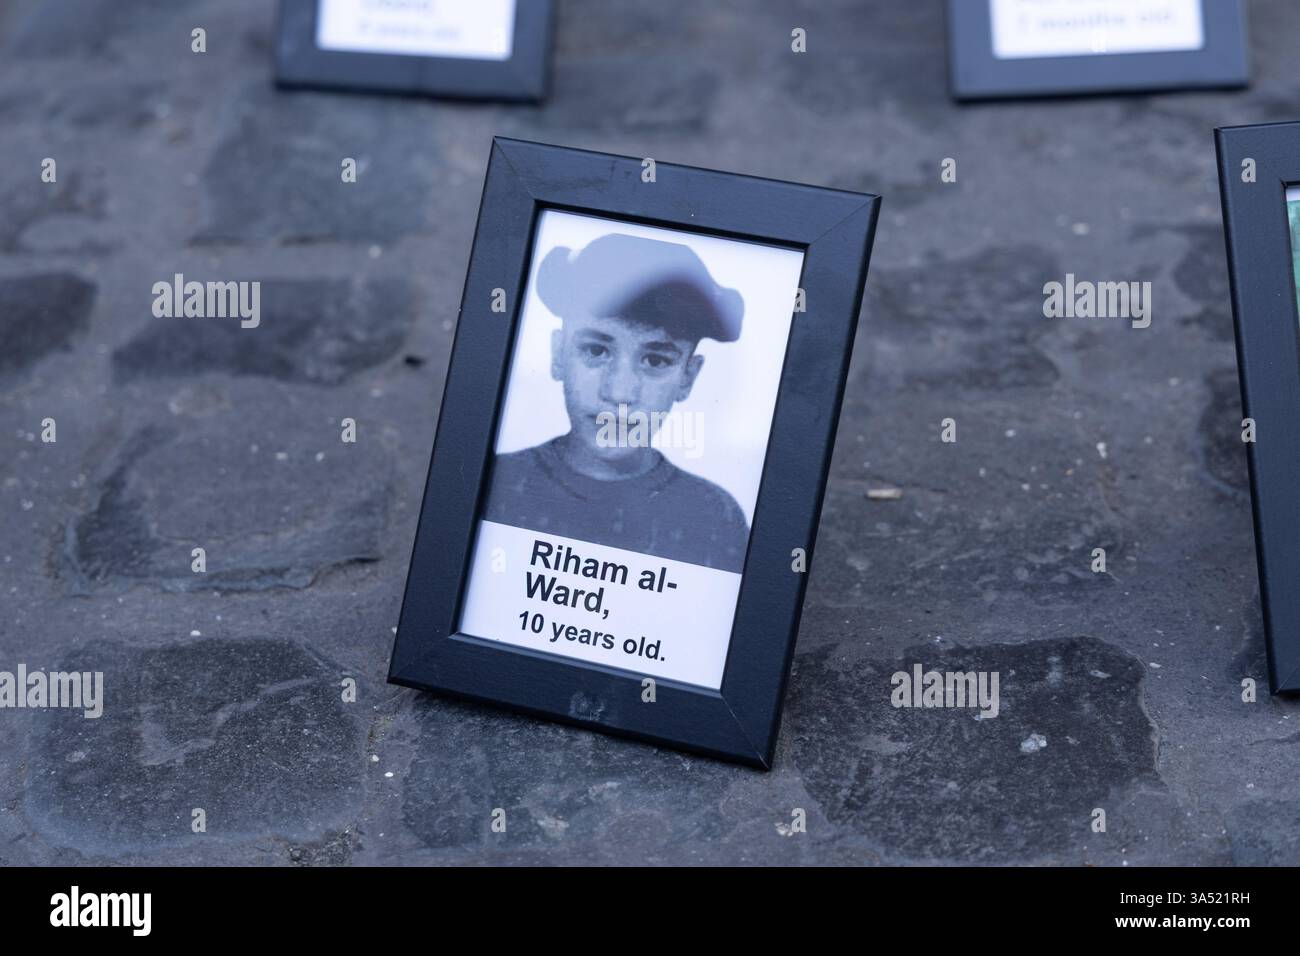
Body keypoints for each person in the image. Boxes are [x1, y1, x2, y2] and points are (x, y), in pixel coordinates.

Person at [482, 232, 751, 573]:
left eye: (655, 361)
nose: (620, 393)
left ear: (687, 377)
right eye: (596, 351)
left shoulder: (714, 518)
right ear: (559, 355)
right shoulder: (494, 483)